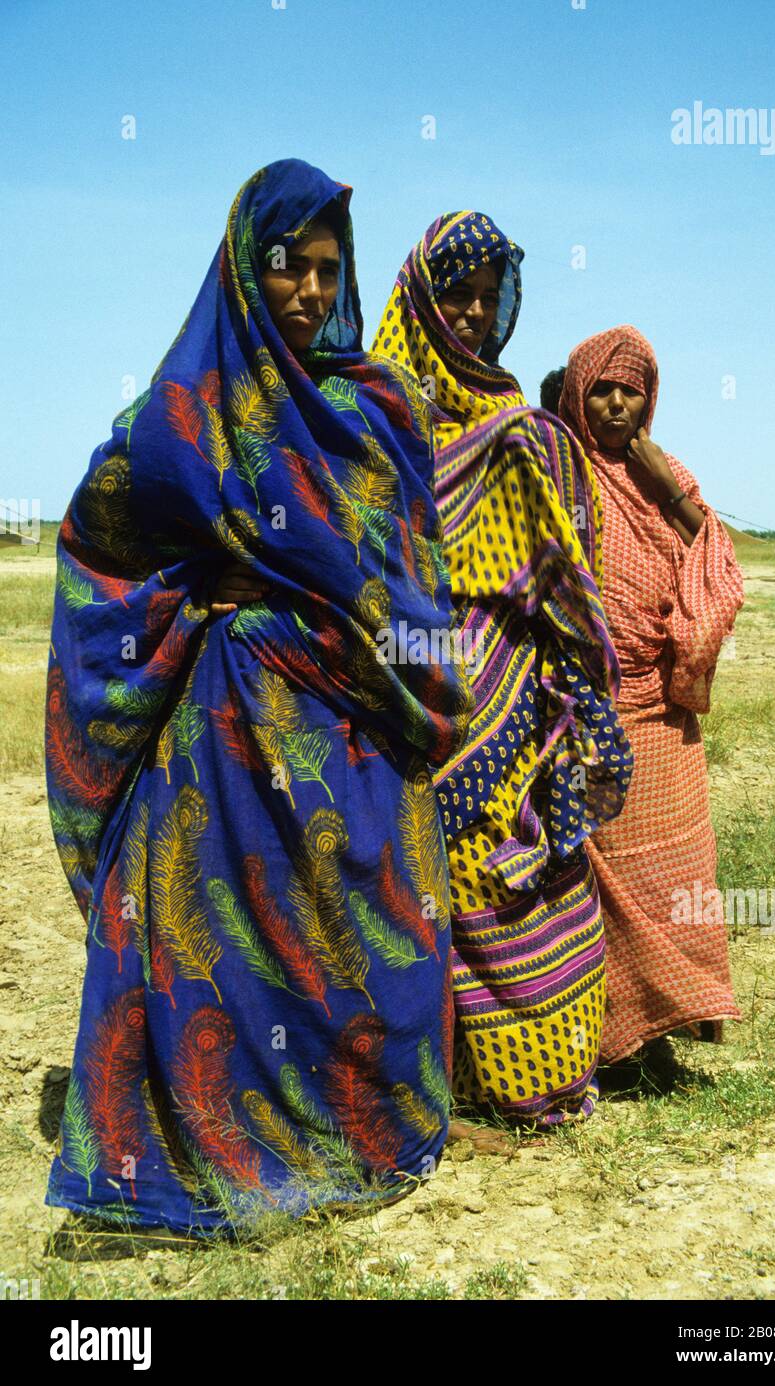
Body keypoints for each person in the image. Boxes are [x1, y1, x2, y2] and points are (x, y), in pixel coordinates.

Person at [44, 159, 473, 1235]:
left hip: (354, 736)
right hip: (221, 755)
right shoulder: (183, 417)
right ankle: (214, 1149)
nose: (313, 291)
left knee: (357, 941)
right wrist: (200, 588)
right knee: (211, 946)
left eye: (331, 270)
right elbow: (96, 544)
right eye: (290, 266)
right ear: (245, 266)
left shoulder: (374, 411)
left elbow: (417, 595)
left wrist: (326, 608)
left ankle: (357, 1133)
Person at [371, 214, 632, 1129]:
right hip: (412, 675)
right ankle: (443, 1075)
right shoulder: (377, 410)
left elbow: (566, 553)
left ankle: (541, 1074)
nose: (476, 315)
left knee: (522, 858)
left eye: (490, 298)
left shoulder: (511, 413)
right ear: (422, 297)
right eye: (458, 295)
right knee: (437, 871)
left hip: (514, 679)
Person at [550, 325, 744, 1063]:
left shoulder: (672, 476)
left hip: (662, 714)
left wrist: (667, 491)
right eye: (601, 387)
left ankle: (670, 1022)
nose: (615, 403)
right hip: (588, 709)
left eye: (631, 388)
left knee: (674, 871)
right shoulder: (557, 473)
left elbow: (717, 565)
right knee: (598, 873)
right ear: (576, 392)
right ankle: (609, 1041)